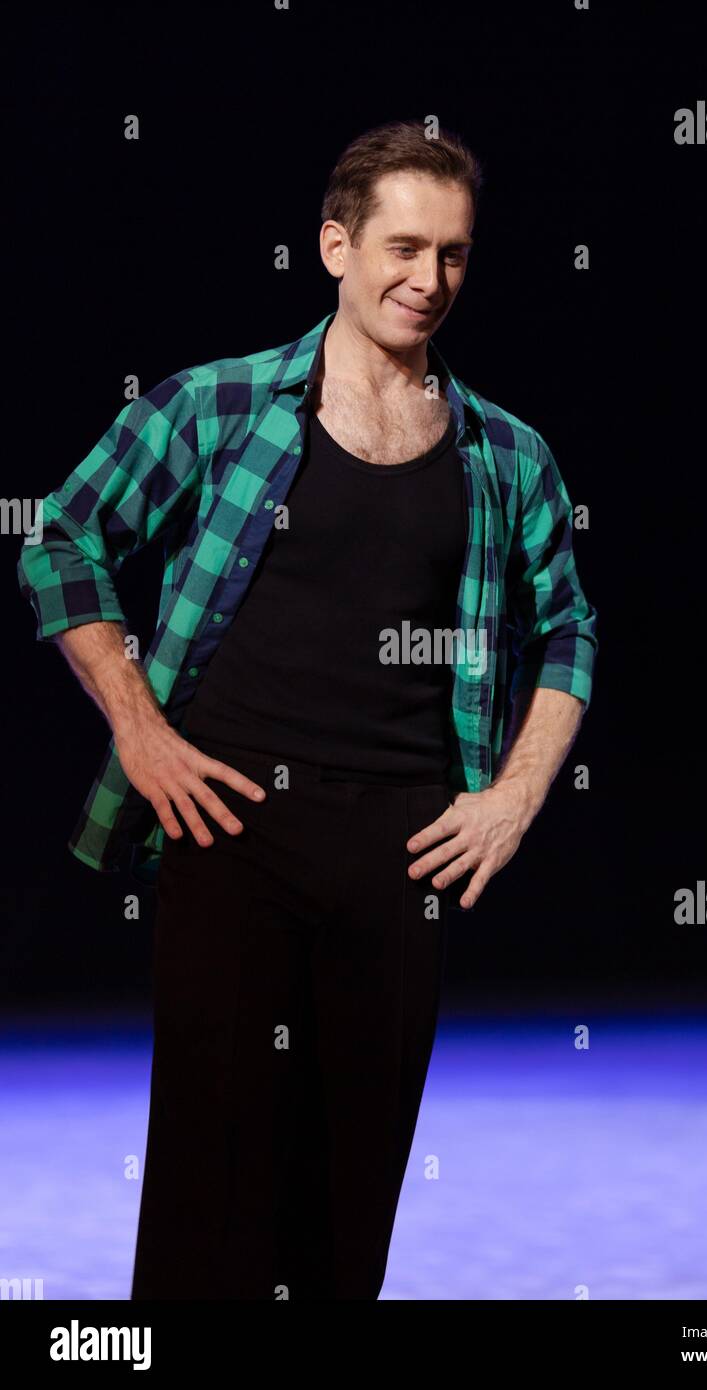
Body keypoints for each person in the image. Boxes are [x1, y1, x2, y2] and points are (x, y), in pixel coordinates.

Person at [17, 119, 598, 1300]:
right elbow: (62, 539)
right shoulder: (220, 405)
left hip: (402, 856)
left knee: (348, 1208)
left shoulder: (505, 454)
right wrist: (139, 728)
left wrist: (513, 800)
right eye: (400, 247)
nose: (426, 280)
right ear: (333, 245)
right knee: (207, 1195)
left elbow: (569, 629)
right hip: (229, 831)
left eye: (452, 255)